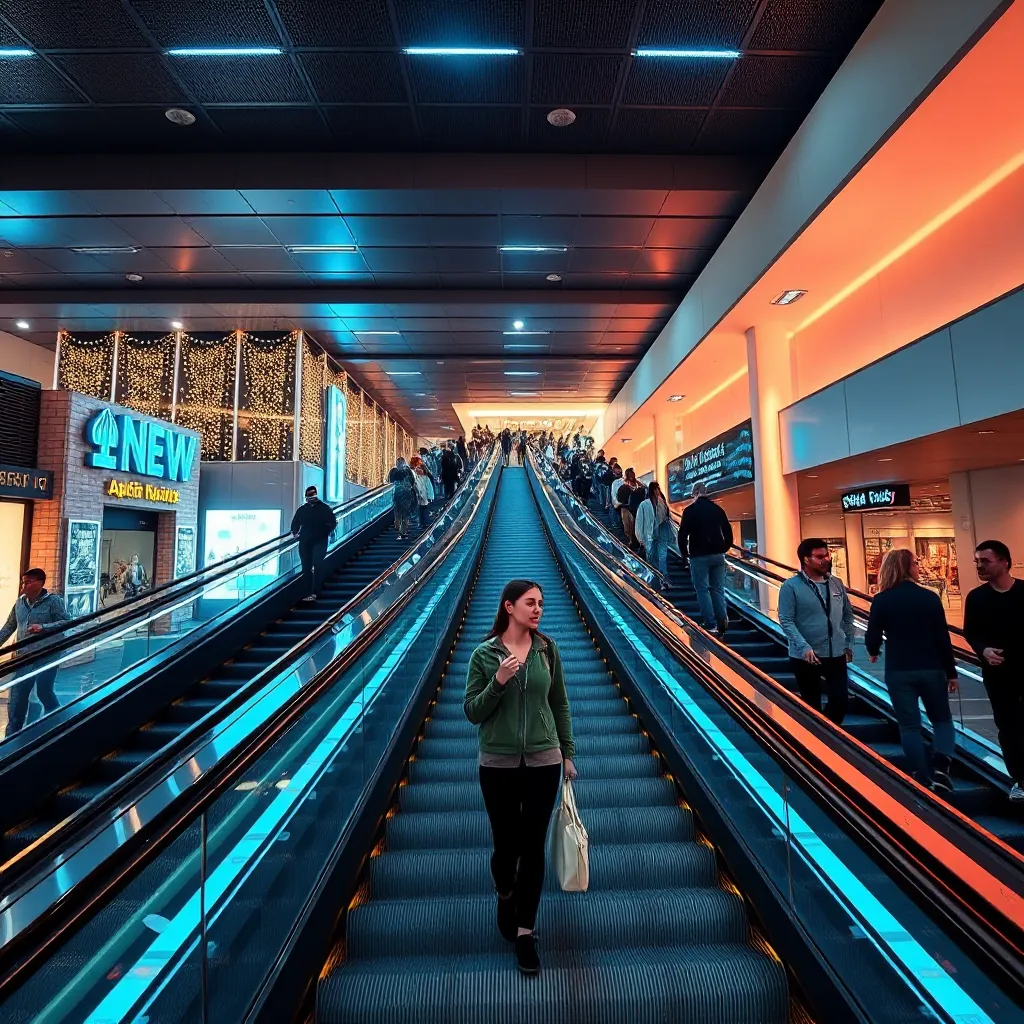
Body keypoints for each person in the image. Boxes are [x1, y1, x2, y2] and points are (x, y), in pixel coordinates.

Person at [464, 579, 576, 976]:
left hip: (544, 760)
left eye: (541, 604)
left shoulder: (548, 651)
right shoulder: (484, 654)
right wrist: (499, 682)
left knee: (533, 848)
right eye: (530, 603)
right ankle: (504, 892)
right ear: (508, 606)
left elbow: (559, 702)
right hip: (497, 763)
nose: (538, 609)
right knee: (505, 845)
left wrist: (567, 753)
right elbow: (472, 711)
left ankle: (526, 932)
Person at [865, 549, 958, 791]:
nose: (918, 567)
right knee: (942, 721)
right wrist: (951, 672)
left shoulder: (882, 599)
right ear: (907, 568)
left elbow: (872, 634)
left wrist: (873, 650)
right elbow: (942, 638)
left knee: (909, 726)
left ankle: (921, 774)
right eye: (915, 563)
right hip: (932, 668)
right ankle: (941, 768)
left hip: (899, 670)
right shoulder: (929, 598)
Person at [964, 539, 1024, 802]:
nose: (980, 566)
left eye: (985, 561)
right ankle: (1020, 779)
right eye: (977, 561)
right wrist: (983, 650)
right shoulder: (977, 598)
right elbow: (971, 632)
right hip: (998, 675)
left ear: (1004, 562)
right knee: (1007, 726)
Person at [778, 538, 854, 726]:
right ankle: (817, 738)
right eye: (819, 557)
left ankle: (828, 732)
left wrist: (848, 643)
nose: (825, 560)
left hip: (836, 653)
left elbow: (847, 615)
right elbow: (786, 620)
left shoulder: (836, 583)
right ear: (806, 560)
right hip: (806, 656)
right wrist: (803, 646)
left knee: (840, 699)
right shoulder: (791, 586)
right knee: (811, 703)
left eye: (826, 555)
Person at [0, 568, 71, 738]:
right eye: (24, 582)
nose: (24, 585)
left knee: (44, 691)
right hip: (23, 657)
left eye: (29, 582)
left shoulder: (53, 601)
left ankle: (58, 723)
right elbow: (9, 627)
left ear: (40, 583)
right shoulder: (20, 603)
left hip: (47, 655)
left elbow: (66, 622)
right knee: (17, 697)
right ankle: (11, 740)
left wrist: (43, 628)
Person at [678, 482, 733, 635]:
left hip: (699, 555)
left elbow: (682, 535)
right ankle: (722, 621)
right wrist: (724, 548)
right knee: (717, 588)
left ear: (695, 493)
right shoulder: (717, 510)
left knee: (702, 589)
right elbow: (728, 532)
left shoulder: (690, 511)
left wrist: (684, 554)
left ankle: (710, 623)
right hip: (717, 555)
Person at [290, 485, 338, 602]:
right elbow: (295, 523)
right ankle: (308, 593)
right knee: (306, 568)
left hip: (320, 540)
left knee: (317, 564)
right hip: (305, 542)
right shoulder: (303, 509)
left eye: (311, 496)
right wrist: (295, 533)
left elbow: (333, 522)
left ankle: (316, 592)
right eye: (308, 497)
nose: (310, 499)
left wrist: (327, 531)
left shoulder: (324, 508)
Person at [635, 481, 673, 583]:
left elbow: (667, 519)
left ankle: (663, 577)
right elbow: (639, 522)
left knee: (662, 556)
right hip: (650, 535)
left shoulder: (662, 503)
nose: (658, 491)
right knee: (651, 557)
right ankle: (655, 578)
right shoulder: (644, 504)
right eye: (656, 488)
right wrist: (640, 537)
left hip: (661, 534)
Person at [388, 457, 418, 540]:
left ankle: (397, 524)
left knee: (398, 511)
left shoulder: (393, 471)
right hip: (407, 495)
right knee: (406, 514)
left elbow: (390, 482)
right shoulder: (408, 471)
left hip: (397, 495)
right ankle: (403, 531)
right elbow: (413, 482)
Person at [614, 469, 644, 548]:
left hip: (636, 509)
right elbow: (619, 498)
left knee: (636, 527)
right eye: (630, 474)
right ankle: (631, 541)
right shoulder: (624, 486)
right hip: (626, 509)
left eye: (632, 474)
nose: (631, 476)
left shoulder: (638, 484)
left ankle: (636, 543)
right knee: (628, 527)